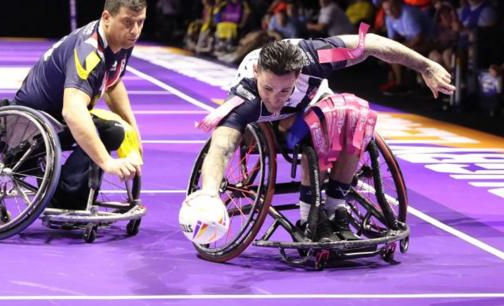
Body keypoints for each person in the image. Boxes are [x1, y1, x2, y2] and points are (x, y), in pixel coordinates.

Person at [193, 29, 454, 241]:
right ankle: (309, 218)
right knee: (256, 133)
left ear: (298, 74)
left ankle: (334, 208)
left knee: (351, 113)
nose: (274, 98)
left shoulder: (316, 57)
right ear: (256, 74)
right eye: (268, 88)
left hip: (310, 103)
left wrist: (426, 66)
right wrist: (209, 194)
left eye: (284, 90)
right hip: (265, 122)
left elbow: (371, 43)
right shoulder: (246, 97)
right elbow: (221, 147)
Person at [13, 0, 146, 209]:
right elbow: (73, 111)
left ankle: (71, 193)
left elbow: (112, 83)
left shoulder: (121, 41)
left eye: (140, 22)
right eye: (128, 22)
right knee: (110, 130)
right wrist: (107, 162)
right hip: (26, 131)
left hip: (54, 121)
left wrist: (134, 131)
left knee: (120, 129)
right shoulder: (90, 52)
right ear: (107, 17)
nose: (135, 30)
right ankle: (63, 197)